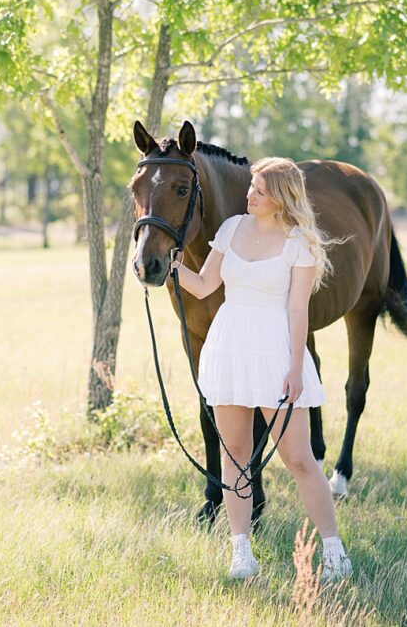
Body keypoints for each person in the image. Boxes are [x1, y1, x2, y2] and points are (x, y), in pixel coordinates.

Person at [172, 156, 352, 583]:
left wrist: (295, 367)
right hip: (230, 347)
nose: (248, 195)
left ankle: (334, 550)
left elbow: (297, 310)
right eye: (250, 188)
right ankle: (241, 552)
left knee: (301, 460)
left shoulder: (300, 243)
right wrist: (171, 266)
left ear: (281, 198)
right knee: (235, 458)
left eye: (258, 191)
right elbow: (203, 286)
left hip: (275, 349)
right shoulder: (231, 229)